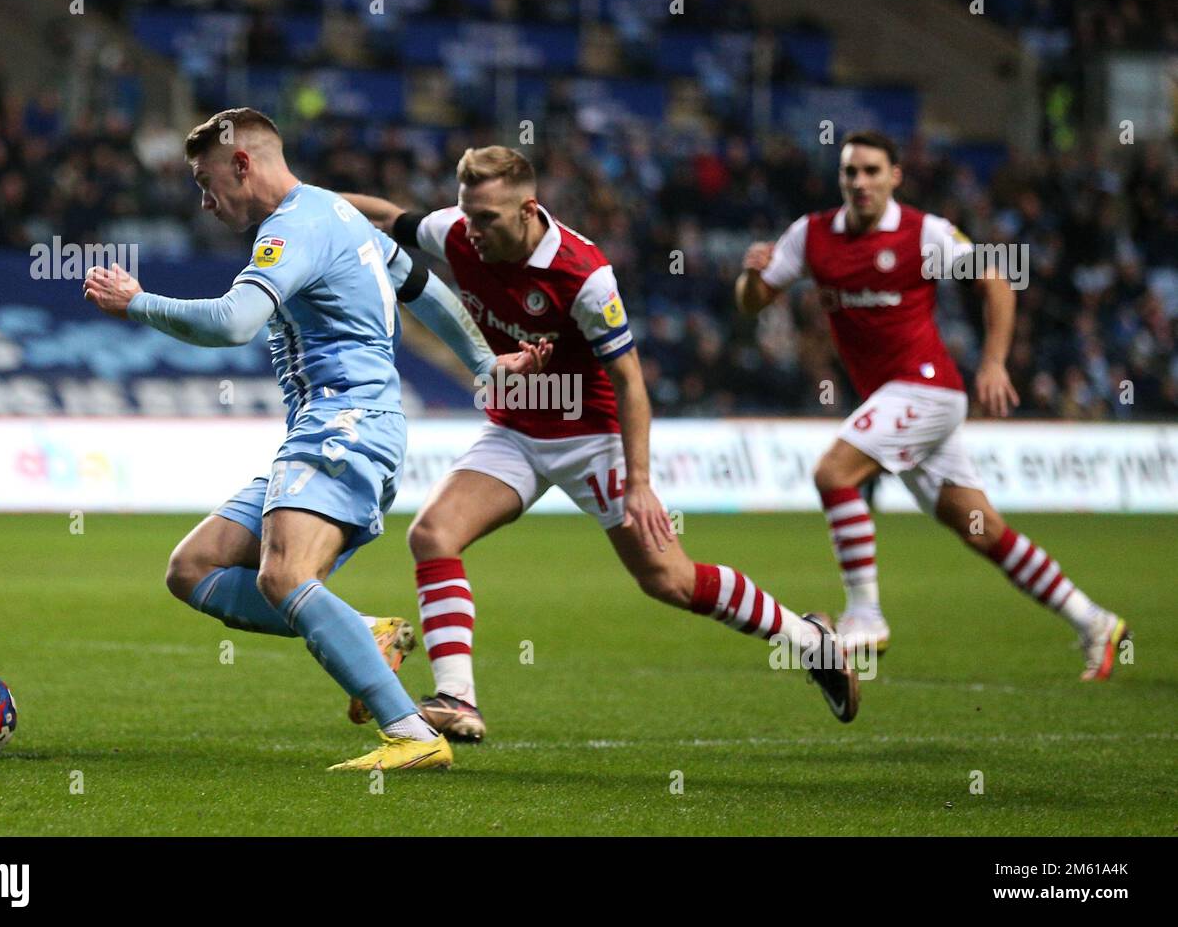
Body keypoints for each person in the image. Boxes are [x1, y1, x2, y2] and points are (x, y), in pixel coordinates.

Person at [341, 145, 859, 743]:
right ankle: (459, 699)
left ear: (528, 209)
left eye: (486, 219)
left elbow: (631, 381)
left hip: (592, 439)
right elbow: (388, 218)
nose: (471, 230)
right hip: (518, 428)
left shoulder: (583, 274)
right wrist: (303, 204)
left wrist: (638, 484)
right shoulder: (457, 230)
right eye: (466, 214)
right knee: (432, 534)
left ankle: (808, 641)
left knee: (671, 581)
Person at [83, 108, 548, 769]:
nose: (204, 200)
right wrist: (483, 364)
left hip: (346, 424)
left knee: (284, 576)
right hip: (326, 428)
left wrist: (137, 302)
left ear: (242, 163)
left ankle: (413, 737)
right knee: (192, 569)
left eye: (205, 180)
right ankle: (366, 634)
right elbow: (421, 286)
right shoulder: (336, 212)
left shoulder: (293, 229)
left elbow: (235, 322)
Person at [735, 130, 1130, 680]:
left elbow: (997, 280)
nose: (861, 182)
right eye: (851, 171)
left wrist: (993, 362)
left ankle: (865, 616)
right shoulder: (812, 234)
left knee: (833, 474)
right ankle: (1095, 621)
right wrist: (753, 275)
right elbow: (753, 302)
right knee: (981, 529)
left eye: (873, 171)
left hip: (927, 389)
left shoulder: (927, 232)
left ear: (895, 176)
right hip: (897, 402)